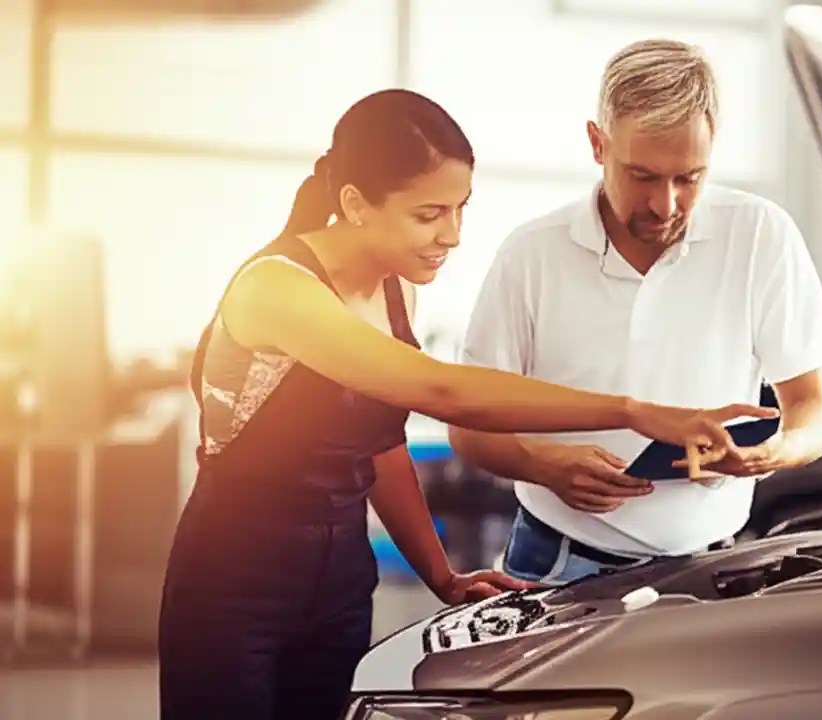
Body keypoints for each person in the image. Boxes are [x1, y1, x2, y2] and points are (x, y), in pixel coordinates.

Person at [156, 88, 775, 720]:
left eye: (459, 209)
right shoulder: (276, 287)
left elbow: (381, 444)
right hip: (235, 571)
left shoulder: (395, 289)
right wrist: (632, 410)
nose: (450, 235)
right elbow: (440, 390)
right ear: (354, 204)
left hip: (340, 576)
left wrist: (442, 575)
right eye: (428, 214)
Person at [450, 40, 822, 585]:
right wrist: (539, 465)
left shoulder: (761, 234)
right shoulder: (530, 254)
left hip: (711, 571)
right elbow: (468, 431)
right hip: (554, 564)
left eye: (689, 178)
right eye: (642, 176)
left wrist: (774, 452)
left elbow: (814, 413)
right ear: (597, 143)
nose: (666, 205)